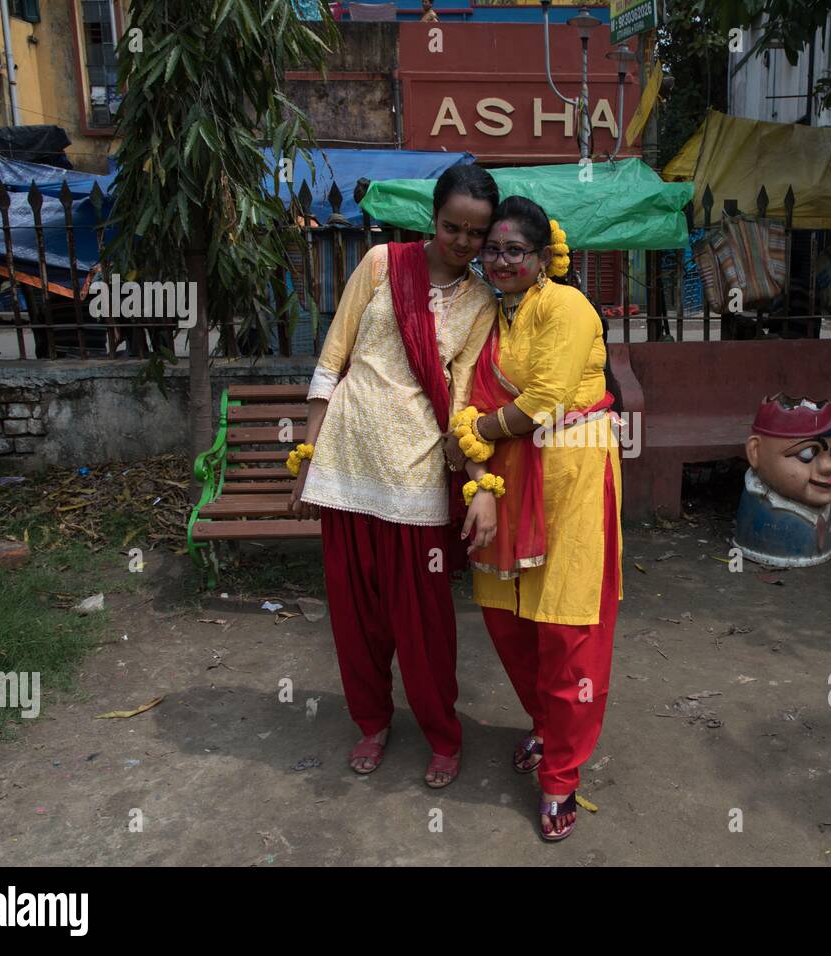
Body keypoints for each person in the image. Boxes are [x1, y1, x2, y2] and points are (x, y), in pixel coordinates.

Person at [288, 164, 500, 788]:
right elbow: (333, 358)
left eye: (476, 234)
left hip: (416, 475)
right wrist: (306, 458)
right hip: (346, 464)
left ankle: (442, 733)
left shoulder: (483, 301)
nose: (462, 242)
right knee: (356, 615)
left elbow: (463, 398)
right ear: (432, 219)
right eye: (452, 227)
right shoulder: (382, 263)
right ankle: (372, 722)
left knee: (424, 621)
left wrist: (477, 480)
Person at [449, 196, 621, 842]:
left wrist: (481, 426)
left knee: (567, 627)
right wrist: (472, 438)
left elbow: (547, 399)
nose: (499, 260)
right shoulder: (491, 315)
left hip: (572, 476)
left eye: (513, 250)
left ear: (543, 258)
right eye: (491, 250)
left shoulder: (568, 308)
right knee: (506, 616)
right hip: (505, 479)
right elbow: (462, 390)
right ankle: (546, 726)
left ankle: (562, 777)